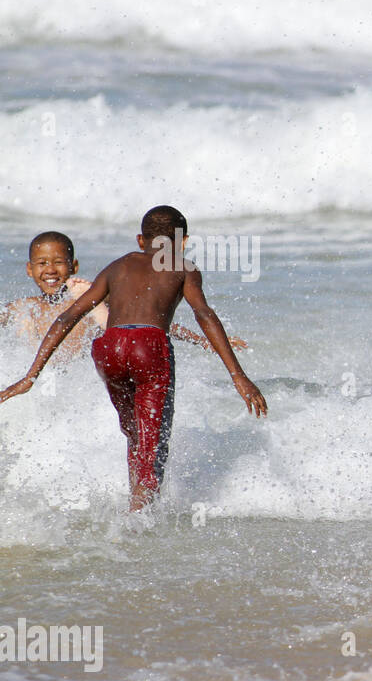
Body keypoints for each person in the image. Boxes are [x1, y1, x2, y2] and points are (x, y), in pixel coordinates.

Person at [0, 206, 267, 511]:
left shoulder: (118, 266)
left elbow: (67, 317)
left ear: (141, 240)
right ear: (183, 242)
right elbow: (203, 312)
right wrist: (238, 375)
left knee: (135, 435)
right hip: (149, 348)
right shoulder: (183, 266)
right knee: (154, 445)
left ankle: (134, 505)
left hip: (108, 349)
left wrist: (30, 376)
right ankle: (138, 523)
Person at [1, 231, 246, 357]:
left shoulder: (92, 299)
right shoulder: (22, 308)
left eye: (58, 262)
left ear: (73, 267)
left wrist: (203, 341)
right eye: (42, 264)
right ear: (29, 270)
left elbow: (149, 323)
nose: (51, 270)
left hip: (79, 389)